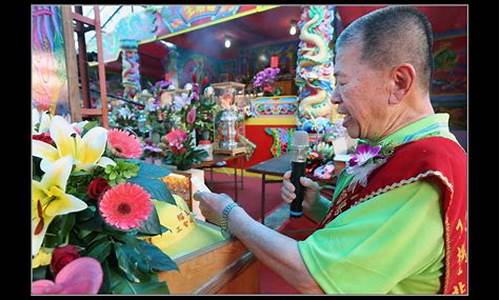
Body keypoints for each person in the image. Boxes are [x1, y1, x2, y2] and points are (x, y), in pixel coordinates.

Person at [193, 6, 467, 295]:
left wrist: (229, 214)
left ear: (399, 83)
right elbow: (369, 238)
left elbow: (313, 277)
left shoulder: (422, 172)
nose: (334, 98)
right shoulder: (403, 148)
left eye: (343, 82)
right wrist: (318, 206)